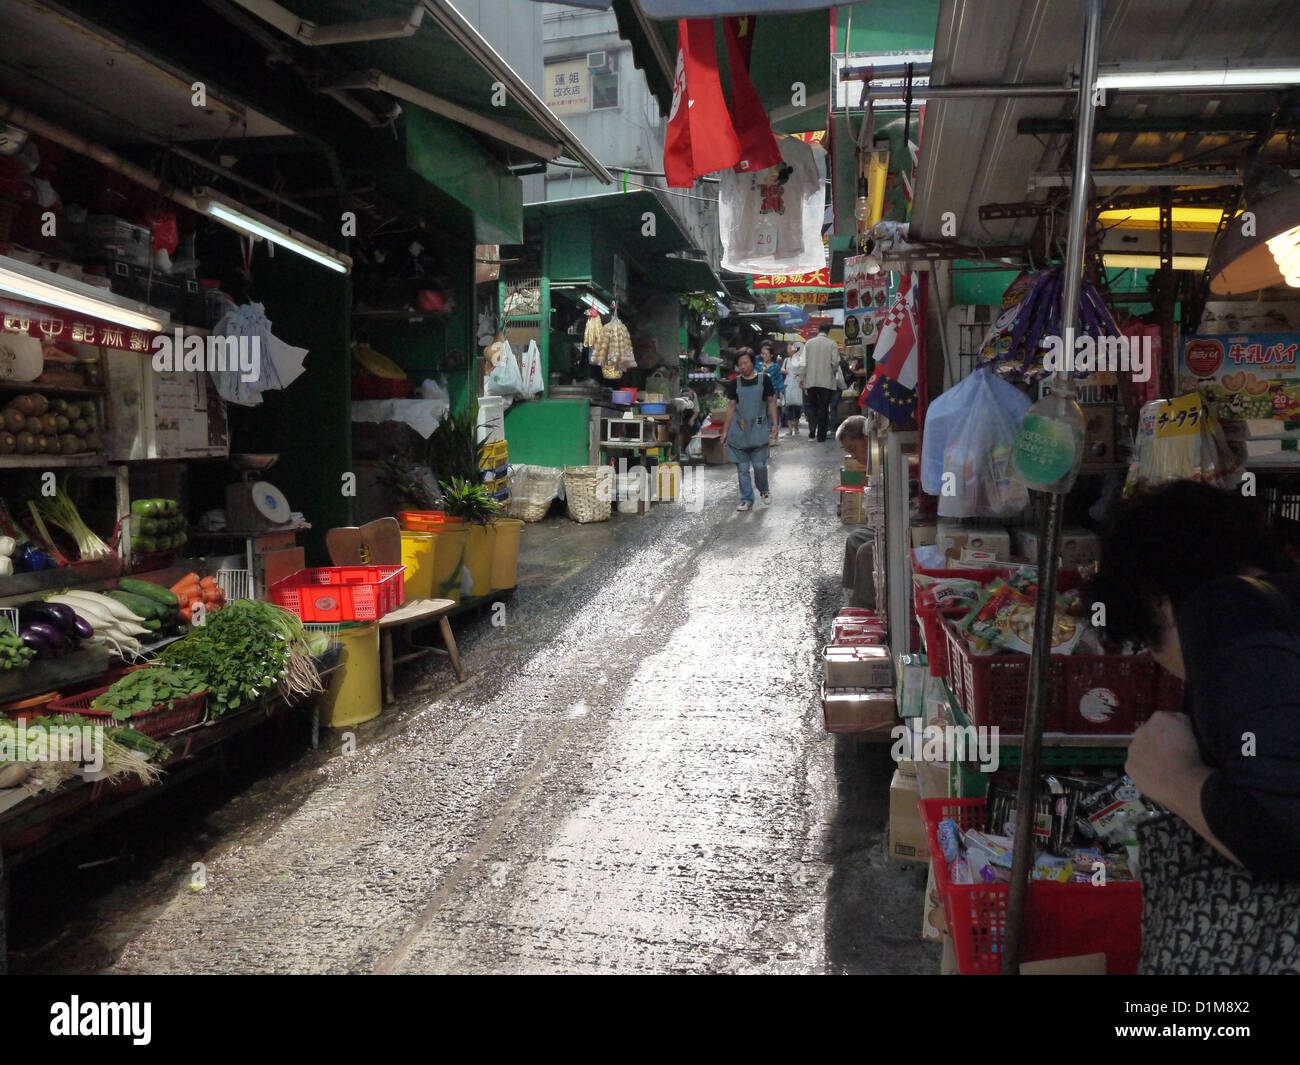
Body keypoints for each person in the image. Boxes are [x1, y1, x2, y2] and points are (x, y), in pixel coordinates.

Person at [1087, 480, 1300, 972]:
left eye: (1150, 644)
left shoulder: (1228, 614)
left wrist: (1174, 778)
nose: (1164, 664)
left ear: (1160, 603)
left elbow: (1279, 830)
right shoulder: (1279, 606)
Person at [721, 349, 778, 511]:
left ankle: (764, 489)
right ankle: (747, 498)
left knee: (760, 465)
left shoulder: (764, 380)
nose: (743, 366)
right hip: (738, 432)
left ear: (753, 362)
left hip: (758, 430)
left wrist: (775, 425)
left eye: (746, 362)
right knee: (742, 469)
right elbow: (731, 407)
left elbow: (771, 402)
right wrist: (725, 431)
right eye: (740, 364)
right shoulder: (734, 384)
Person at [835, 416, 874, 608]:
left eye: (853, 449)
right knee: (855, 538)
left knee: (866, 551)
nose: (854, 456)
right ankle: (851, 596)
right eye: (848, 451)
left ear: (866, 440)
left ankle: (863, 607)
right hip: (880, 523)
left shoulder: (881, 460)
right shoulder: (871, 464)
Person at [801, 322, 839, 442]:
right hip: (826, 382)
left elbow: (803, 364)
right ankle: (821, 436)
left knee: (812, 406)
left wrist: (802, 379)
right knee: (824, 407)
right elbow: (835, 362)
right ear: (828, 331)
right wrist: (830, 372)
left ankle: (812, 430)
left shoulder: (809, 343)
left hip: (811, 381)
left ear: (818, 330)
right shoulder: (832, 344)